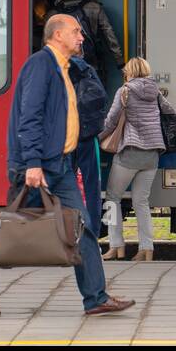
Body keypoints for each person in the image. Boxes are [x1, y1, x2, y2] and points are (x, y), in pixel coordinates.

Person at [0, 14, 134, 317]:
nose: (82, 37)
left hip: (59, 165)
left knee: (83, 227)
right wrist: (33, 163)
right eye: (76, 32)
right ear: (57, 35)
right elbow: (30, 117)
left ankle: (95, 297)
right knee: (10, 227)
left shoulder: (63, 69)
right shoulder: (41, 65)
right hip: (38, 166)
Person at [99, 57, 176, 262]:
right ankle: (146, 249)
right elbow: (170, 112)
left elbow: (111, 120)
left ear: (129, 72)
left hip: (131, 152)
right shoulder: (155, 91)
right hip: (152, 154)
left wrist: (96, 139)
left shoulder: (125, 90)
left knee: (112, 198)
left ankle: (116, 246)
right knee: (141, 202)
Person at [69, 51, 110, 239]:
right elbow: (102, 100)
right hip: (87, 136)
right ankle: (92, 234)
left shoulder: (55, 70)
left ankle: (64, 232)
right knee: (92, 186)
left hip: (64, 138)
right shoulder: (88, 71)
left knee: (64, 185)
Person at [55, 0, 123, 78]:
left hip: (62, 67)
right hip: (91, 65)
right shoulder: (94, 8)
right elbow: (110, 35)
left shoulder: (54, 13)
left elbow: (47, 41)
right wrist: (120, 62)